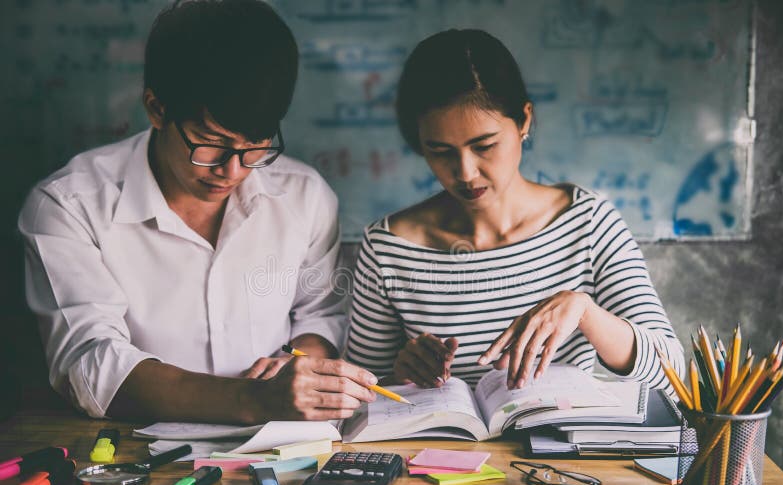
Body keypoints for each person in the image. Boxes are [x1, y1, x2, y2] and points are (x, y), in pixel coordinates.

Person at [18, 0, 377, 423]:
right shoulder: (69, 206)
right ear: (157, 109)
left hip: (280, 444)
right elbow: (91, 362)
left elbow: (321, 315)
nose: (232, 171)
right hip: (133, 446)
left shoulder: (305, 195)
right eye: (211, 143)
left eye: (256, 145)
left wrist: (296, 369)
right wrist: (254, 400)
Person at [346, 29, 685, 392]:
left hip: (562, 431)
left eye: (484, 146)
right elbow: (356, 395)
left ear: (524, 121)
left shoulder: (587, 223)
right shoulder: (387, 247)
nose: (465, 172)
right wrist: (400, 375)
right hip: (442, 432)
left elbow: (673, 373)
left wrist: (586, 313)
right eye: (440, 151)